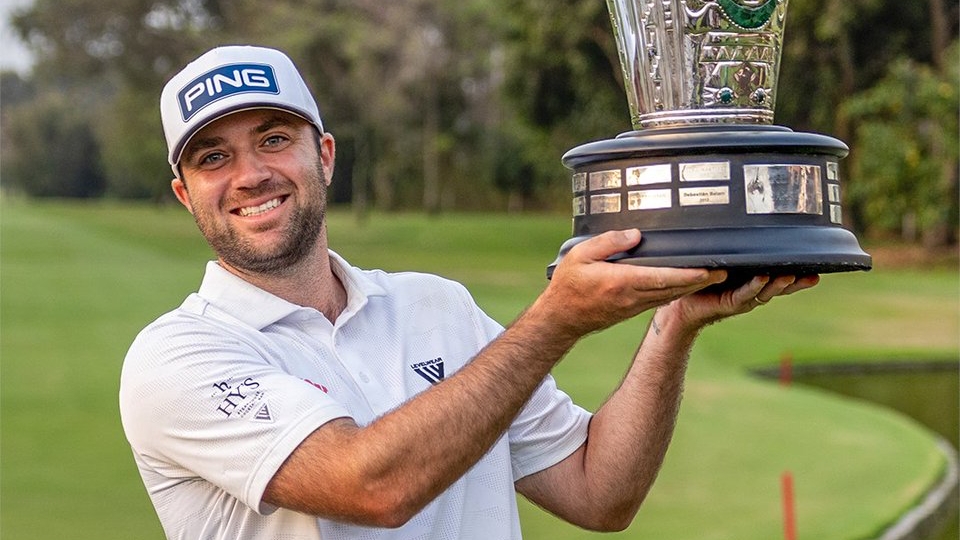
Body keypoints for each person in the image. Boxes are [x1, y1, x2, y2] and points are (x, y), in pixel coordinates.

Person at [119, 45, 818, 540]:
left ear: (323, 156)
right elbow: (372, 487)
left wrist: (673, 326)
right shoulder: (177, 359)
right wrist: (556, 321)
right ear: (186, 194)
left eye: (274, 139)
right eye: (214, 157)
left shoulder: (437, 307)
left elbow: (598, 492)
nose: (249, 174)